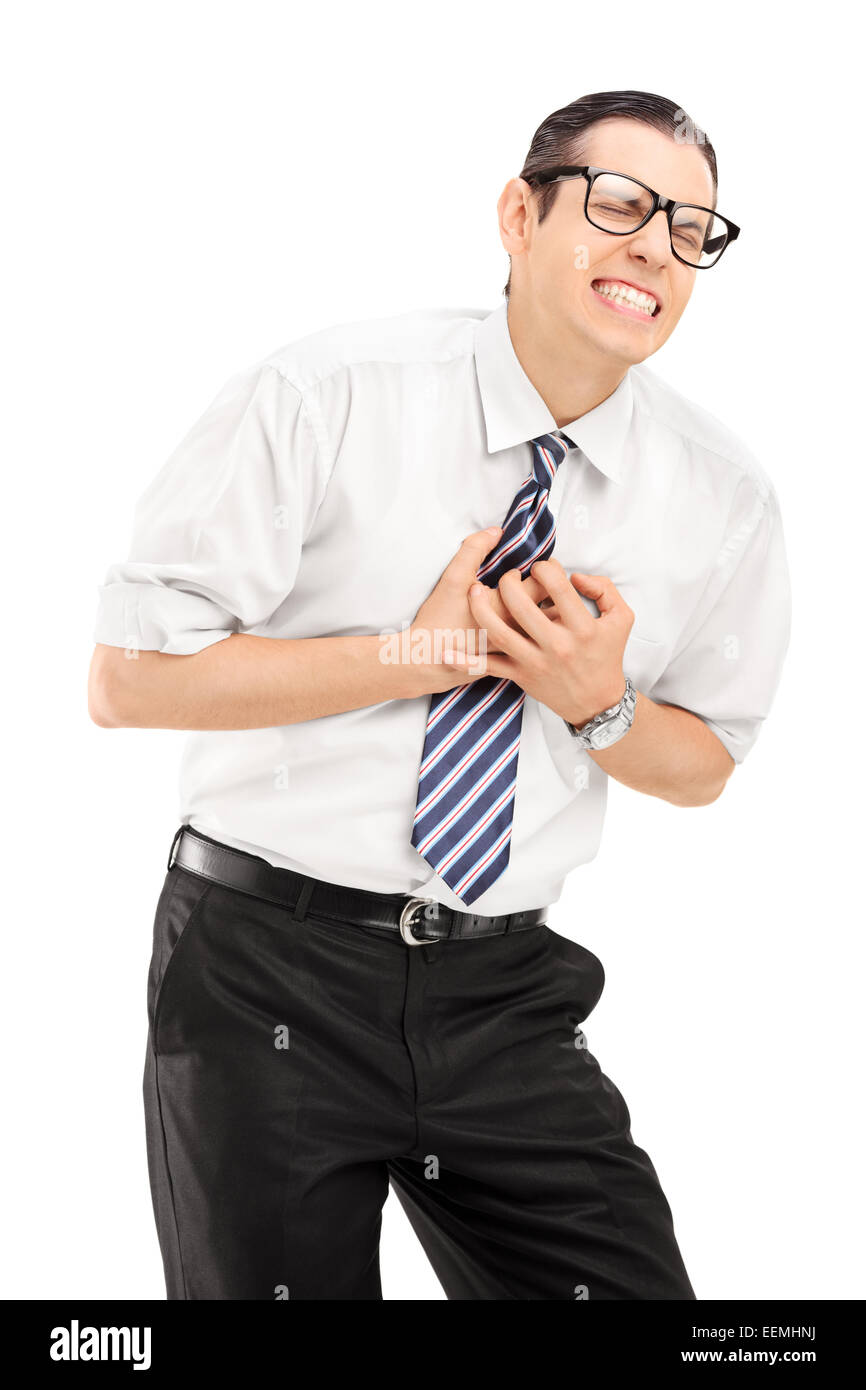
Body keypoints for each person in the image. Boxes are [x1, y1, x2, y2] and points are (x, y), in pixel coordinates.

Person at [88, 89, 791, 1301]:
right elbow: (126, 678)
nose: (653, 249)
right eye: (620, 204)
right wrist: (416, 656)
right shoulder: (326, 396)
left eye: (691, 229)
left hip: (503, 991)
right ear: (519, 214)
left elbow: (706, 763)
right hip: (267, 967)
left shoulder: (720, 496)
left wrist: (595, 702)